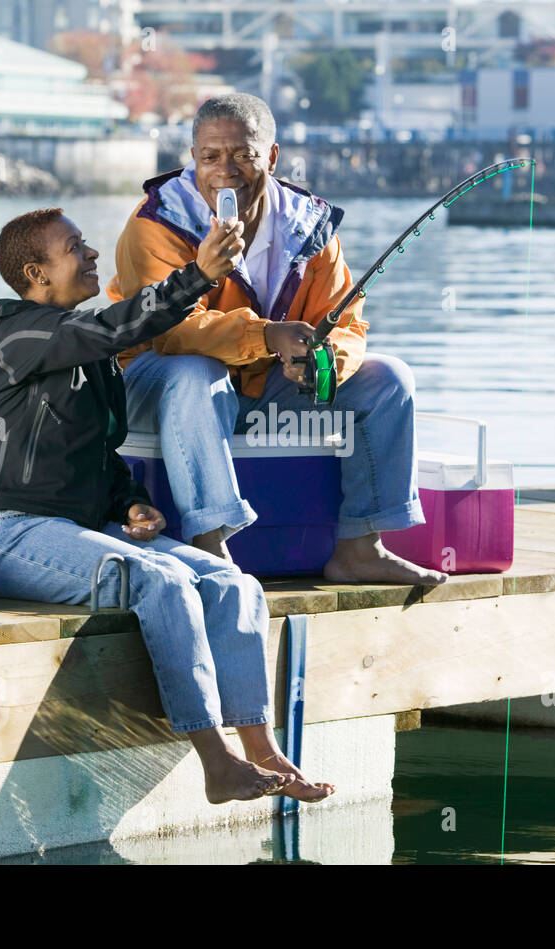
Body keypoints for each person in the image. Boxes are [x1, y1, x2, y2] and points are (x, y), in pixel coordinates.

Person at [0, 206, 334, 805]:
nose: (91, 255)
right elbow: (111, 328)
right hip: (6, 537)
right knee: (160, 580)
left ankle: (262, 750)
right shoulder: (16, 336)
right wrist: (198, 275)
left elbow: (103, 458)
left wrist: (132, 504)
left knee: (231, 581)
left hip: (75, 530)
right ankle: (217, 763)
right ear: (35, 273)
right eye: (74, 247)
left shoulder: (80, 352)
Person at [107, 93, 447, 586]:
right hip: (159, 383)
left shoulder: (310, 225)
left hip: (262, 384)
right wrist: (268, 336)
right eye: (209, 157)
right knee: (194, 370)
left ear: (271, 156)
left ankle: (360, 546)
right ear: (193, 158)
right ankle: (209, 543)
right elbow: (169, 333)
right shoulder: (156, 222)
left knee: (388, 379)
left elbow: (346, 321)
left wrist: (323, 361)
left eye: (243, 155)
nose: (225, 171)